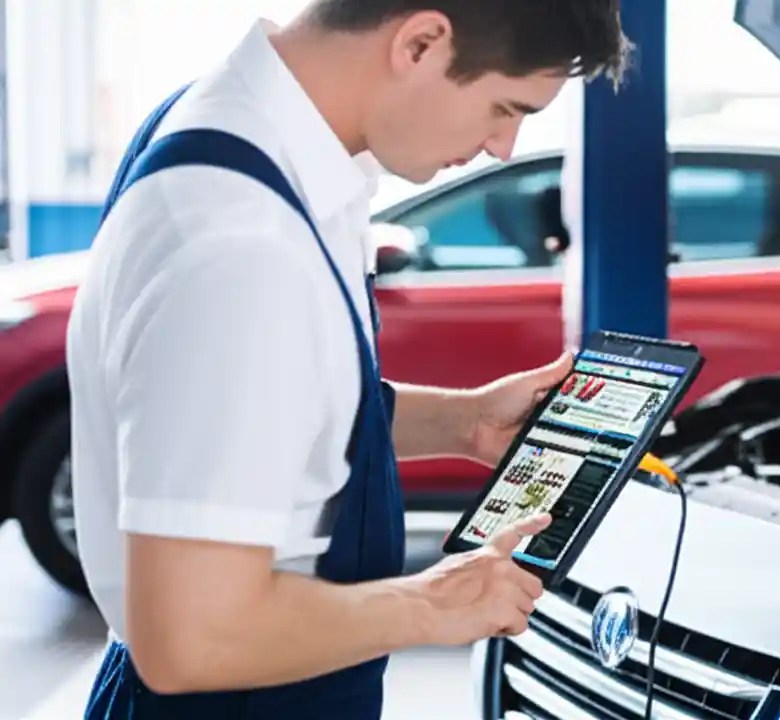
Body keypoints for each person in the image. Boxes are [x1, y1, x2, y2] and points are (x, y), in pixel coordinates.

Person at [64, 1, 630, 717]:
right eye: (503, 107)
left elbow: (266, 414)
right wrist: (436, 602)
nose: (503, 147)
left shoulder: (244, 131)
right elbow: (192, 639)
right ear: (421, 42)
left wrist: (464, 422)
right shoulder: (243, 246)